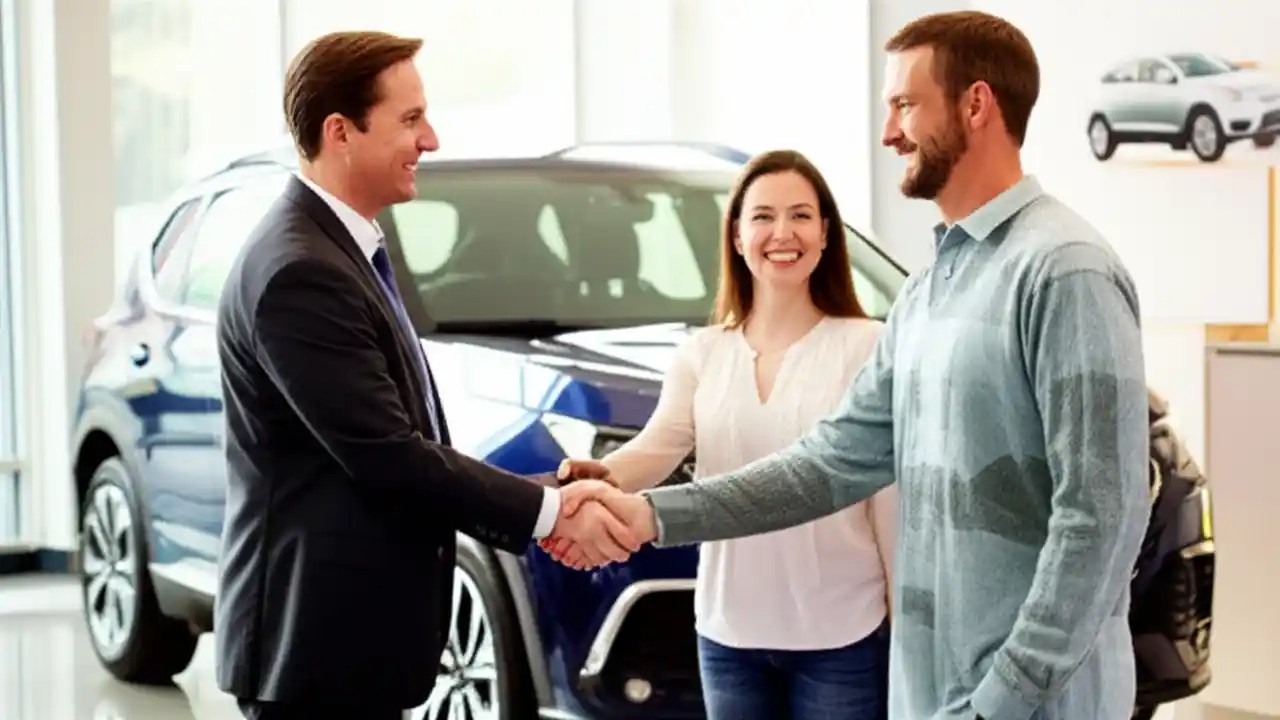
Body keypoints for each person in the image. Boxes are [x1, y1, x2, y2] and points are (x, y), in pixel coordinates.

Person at [549, 10, 1150, 720]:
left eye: (904, 104)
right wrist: (649, 515)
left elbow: (1100, 518)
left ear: (976, 104)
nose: (889, 131)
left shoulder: (1064, 271)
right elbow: (828, 464)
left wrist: (1000, 701)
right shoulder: (930, 291)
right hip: (931, 698)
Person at [214, 31, 635, 720]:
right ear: (340, 132)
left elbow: (397, 447)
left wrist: (544, 489)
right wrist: (553, 513)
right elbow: (389, 459)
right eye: (410, 120)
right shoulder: (301, 271)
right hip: (316, 655)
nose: (431, 140)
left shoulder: (335, 250)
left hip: (346, 651)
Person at [551, 150, 897, 719]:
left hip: (843, 631)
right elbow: (658, 448)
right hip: (729, 633)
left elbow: (887, 497)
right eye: (762, 216)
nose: (781, 232)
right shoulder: (704, 354)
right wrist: (597, 482)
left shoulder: (868, 346)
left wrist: (901, 613)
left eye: (801, 216)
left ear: (826, 234)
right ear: (737, 237)